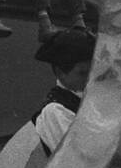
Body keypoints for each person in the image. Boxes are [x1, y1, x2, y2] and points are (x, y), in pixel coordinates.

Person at [30, 28, 95, 156]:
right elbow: (79, 160)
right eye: (82, 73)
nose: (90, 78)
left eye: (93, 70)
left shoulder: (94, 98)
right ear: (61, 73)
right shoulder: (55, 111)